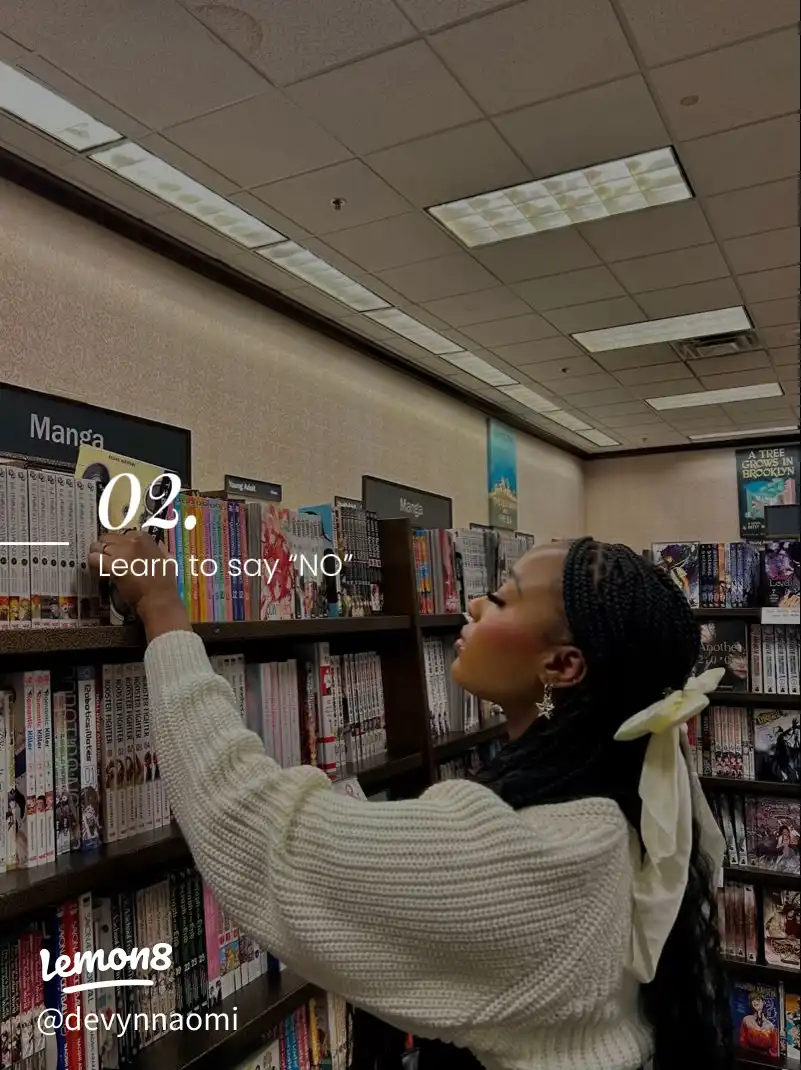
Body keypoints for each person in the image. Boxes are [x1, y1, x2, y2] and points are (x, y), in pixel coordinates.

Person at [89, 533, 733, 1070]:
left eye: (502, 597)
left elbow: (262, 834)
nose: (475, 605)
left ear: (563, 668)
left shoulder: (540, 853)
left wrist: (164, 612)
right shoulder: (620, 792)